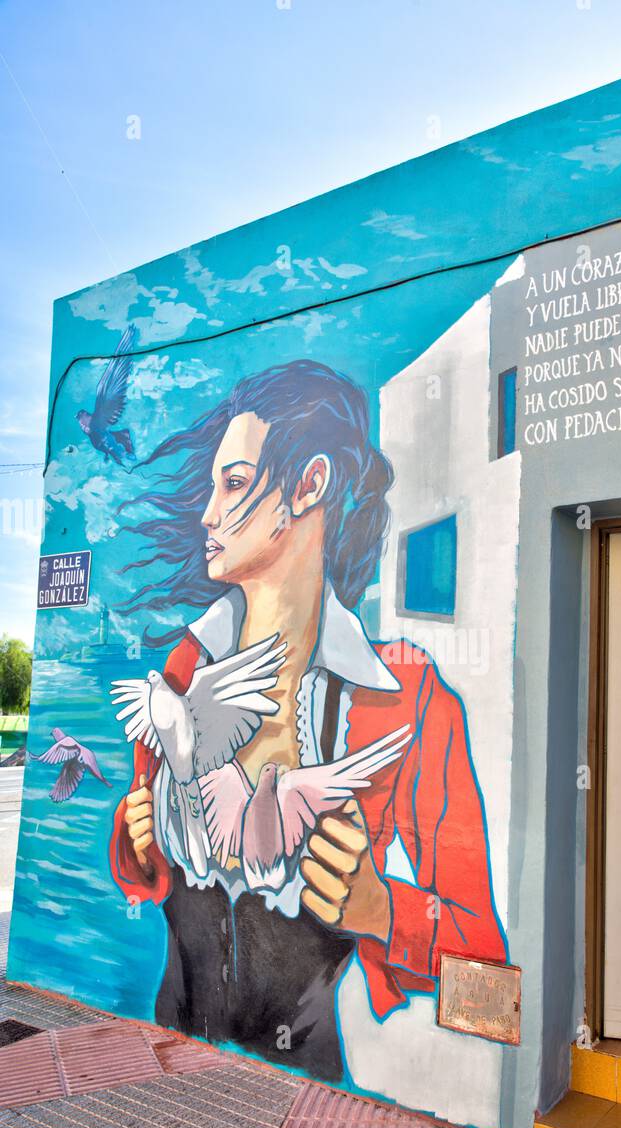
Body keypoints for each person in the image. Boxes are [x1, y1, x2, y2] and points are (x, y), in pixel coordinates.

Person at [109, 359, 507, 1084]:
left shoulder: (407, 701)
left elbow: (499, 996)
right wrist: (140, 843)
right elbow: (142, 875)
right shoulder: (180, 674)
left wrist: (384, 909)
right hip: (163, 1075)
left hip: (307, 1103)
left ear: (308, 484)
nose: (205, 512)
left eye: (232, 483)